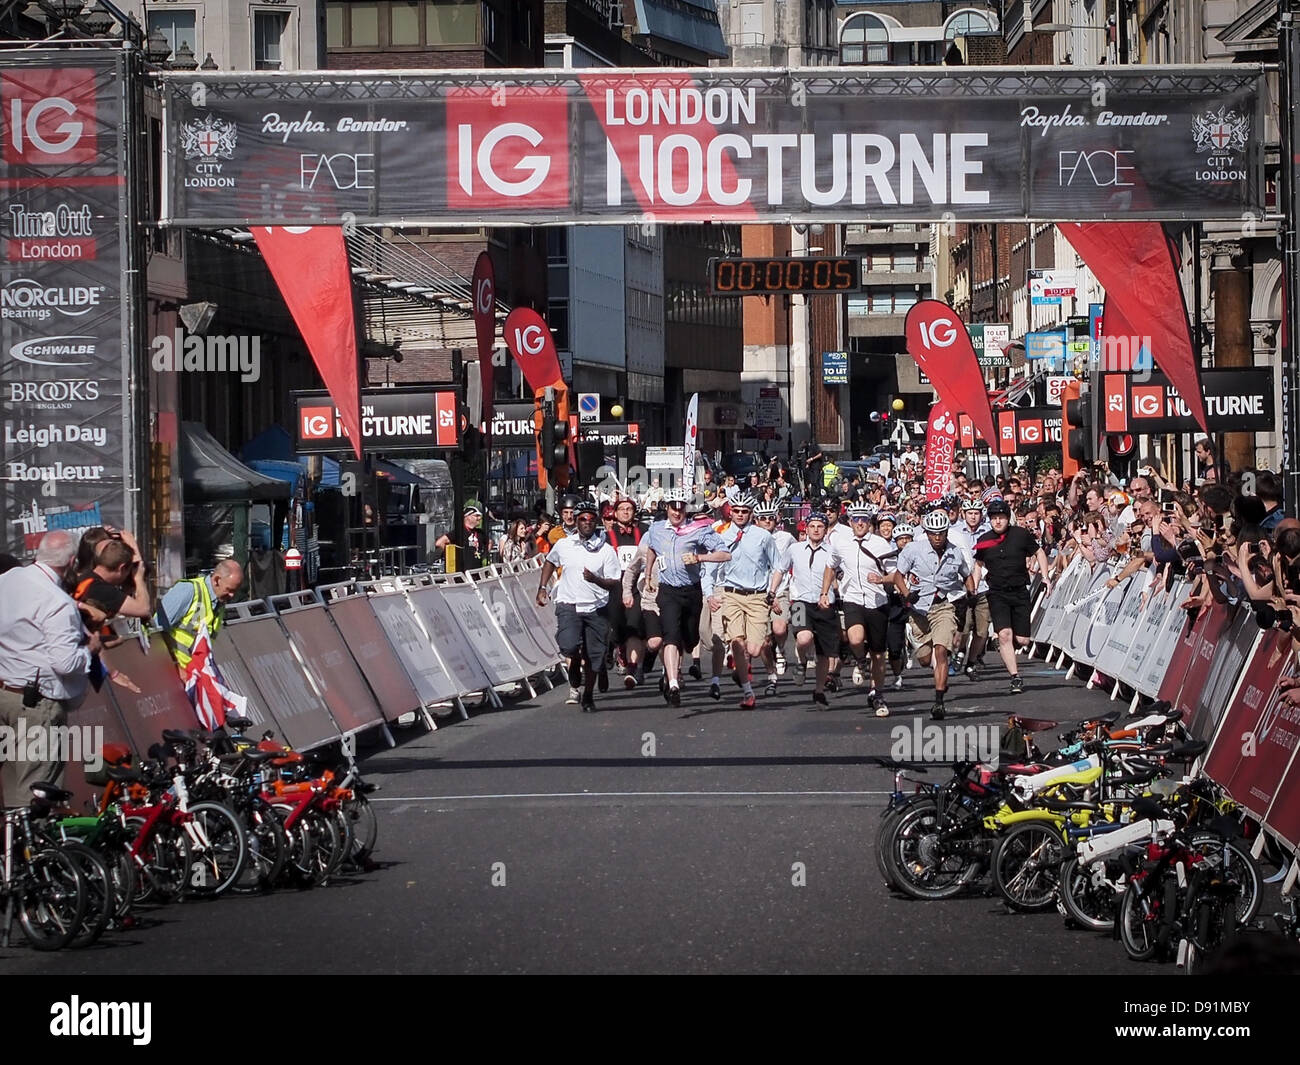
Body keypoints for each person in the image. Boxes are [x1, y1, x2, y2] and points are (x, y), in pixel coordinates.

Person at [0, 531, 97, 799]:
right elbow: (66, 663)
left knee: (12, 788)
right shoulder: (57, 602)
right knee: (35, 793)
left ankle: (14, 840)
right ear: (73, 562)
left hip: (6, 693)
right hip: (35, 704)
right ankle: (30, 842)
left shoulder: (7, 580)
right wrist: (89, 650)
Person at [642, 490, 732, 707]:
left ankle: (680, 660)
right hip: (668, 590)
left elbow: (725, 553)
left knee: (690, 639)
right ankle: (672, 682)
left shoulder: (698, 530)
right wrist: (647, 575)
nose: (677, 511)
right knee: (670, 636)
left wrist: (700, 557)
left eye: (681, 506)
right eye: (673, 506)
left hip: (691, 591)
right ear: (667, 508)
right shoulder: (656, 529)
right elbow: (652, 549)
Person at [535, 501, 621, 713]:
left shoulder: (606, 550)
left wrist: (595, 579)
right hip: (568, 604)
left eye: (591, 520)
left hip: (596, 608)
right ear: (577, 521)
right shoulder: (564, 544)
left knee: (594, 655)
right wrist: (542, 587)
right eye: (582, 519)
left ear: (597, 522)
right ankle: (573, 665)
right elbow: (550, 562)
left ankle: (589, 695)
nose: (587, 523)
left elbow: (613, 581)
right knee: (569, 646)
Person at [893, 510, 976, 720]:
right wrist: (906, 593)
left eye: (941, 533)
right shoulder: (913, 549)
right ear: (926, 533)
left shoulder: (955, 552)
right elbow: (898, 575)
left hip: (943, 606)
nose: (937, 537)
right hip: (919, 608)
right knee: (924, 659)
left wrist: (971, 593)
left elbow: (967, 575)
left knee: (941, 652)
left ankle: (939, 700)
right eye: (933, 533)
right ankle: (915, 642)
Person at [705, 493, 781, 710]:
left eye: (744, 511)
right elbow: (710, 568)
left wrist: (773, 591)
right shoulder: (721, 535)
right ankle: (748, 693)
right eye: (736, 511)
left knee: (755, 649)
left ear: (751, 513)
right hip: (732, 594)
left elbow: (778, 566)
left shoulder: (763, 536)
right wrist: (709, 594)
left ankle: (745, 667)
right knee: (737, 643)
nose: (739, 515)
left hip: (757, 595)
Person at [975, 499, 1052, 694]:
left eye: (1001, 517)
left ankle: (1004, 645)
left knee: (1023, 639)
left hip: (1019, 591)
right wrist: (974, 589)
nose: (998, 522)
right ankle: (1015, 677)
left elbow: (1040, 552)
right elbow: (978, 566)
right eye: (994, 518)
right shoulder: (984, 540)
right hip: (997, 593)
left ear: (1008, 518)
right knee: (1004, 634)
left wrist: (1045, 577)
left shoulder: (1020, 535)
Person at [826, 505, 896, 717]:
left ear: (870, 522)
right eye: (855, 519)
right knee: (855, 639)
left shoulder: (880, 544)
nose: (859, 523)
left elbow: (895, 574)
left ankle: (877, 693)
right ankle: (859, 660)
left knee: (877, 652)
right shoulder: (841, 543)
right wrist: (824, 592)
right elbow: (830, 565)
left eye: (864, 519)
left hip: (877, 601)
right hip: (852, 598)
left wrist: (881, 579)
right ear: (849, 521)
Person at [782, 512, 840, 708]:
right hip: (800, 601)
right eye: (812, 526)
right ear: (806, 529)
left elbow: (839, 575)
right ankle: (801, 659)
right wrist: (774, 592)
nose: (816, 529)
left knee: (824, 652)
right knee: (804, 638)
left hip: (824, 603)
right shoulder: (794, 549)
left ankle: (819, 690)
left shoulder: (833, 551)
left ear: (825, 530)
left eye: (820, 526)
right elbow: (780, 570)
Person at [155, 558, 245, 672]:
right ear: (216, 580)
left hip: (193, 674)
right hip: (171, 671)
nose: (232, 595)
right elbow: (156, 630)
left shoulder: (219, 603)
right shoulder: (188, 590)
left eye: (235, 591)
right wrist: (176, 666)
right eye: (229, 589)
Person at [755, 501, 795, 694]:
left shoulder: (786, 537)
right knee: (763, 640)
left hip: (781, 589)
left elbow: (797, 555)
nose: (767, 522)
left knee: (779, 628)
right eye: (763, 518)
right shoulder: (750, 537)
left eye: (771, 518)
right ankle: (771, 674)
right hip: (758, 593)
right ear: (756, 520)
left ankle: (781, 649)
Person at [949, 501, 992, 681]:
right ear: (963, 514)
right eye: (969, 513)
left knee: (982, 631)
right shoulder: (955, 532)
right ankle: (958, 653)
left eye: (976, 513)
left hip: (983, 587)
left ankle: (971, 662)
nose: (973, 516)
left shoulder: (988, 531)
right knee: (962, 628)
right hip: (963, 587)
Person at [607, 498, 647, 689]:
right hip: (614, 588)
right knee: (616, 628)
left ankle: (633, 669)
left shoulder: (644, 531)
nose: (625, 512)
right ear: (615, 513)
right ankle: (617, 650)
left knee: (634, 627)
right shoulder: (606, 536)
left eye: (629, 509)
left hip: (637, 587)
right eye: (621, 509)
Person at [436, 503, 489, 569]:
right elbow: (439, 543)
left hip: (477, 571)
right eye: (476, 516)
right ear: (468, 517)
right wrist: (453, 554)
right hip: (463, 571)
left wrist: (484, 554)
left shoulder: (480, 532)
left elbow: (489, 542)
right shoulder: (459, 531)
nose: (479, 518)